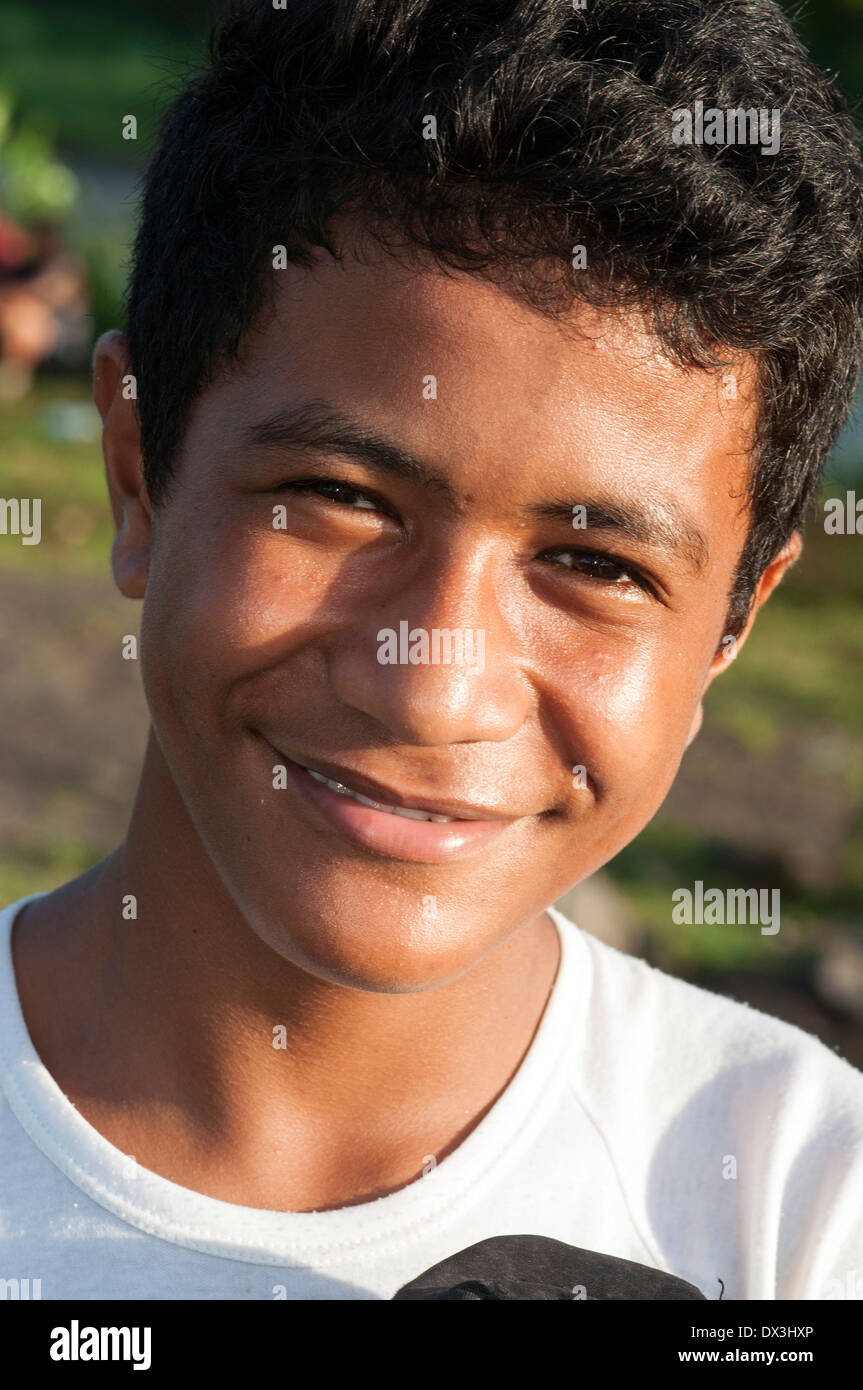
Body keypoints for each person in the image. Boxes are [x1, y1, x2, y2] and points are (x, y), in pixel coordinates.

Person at [2, 0, 862, 1302]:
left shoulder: (800, 1215)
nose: (433, 681)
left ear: (731, 628)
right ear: (138, 476)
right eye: (344, 496)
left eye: (598, 566)